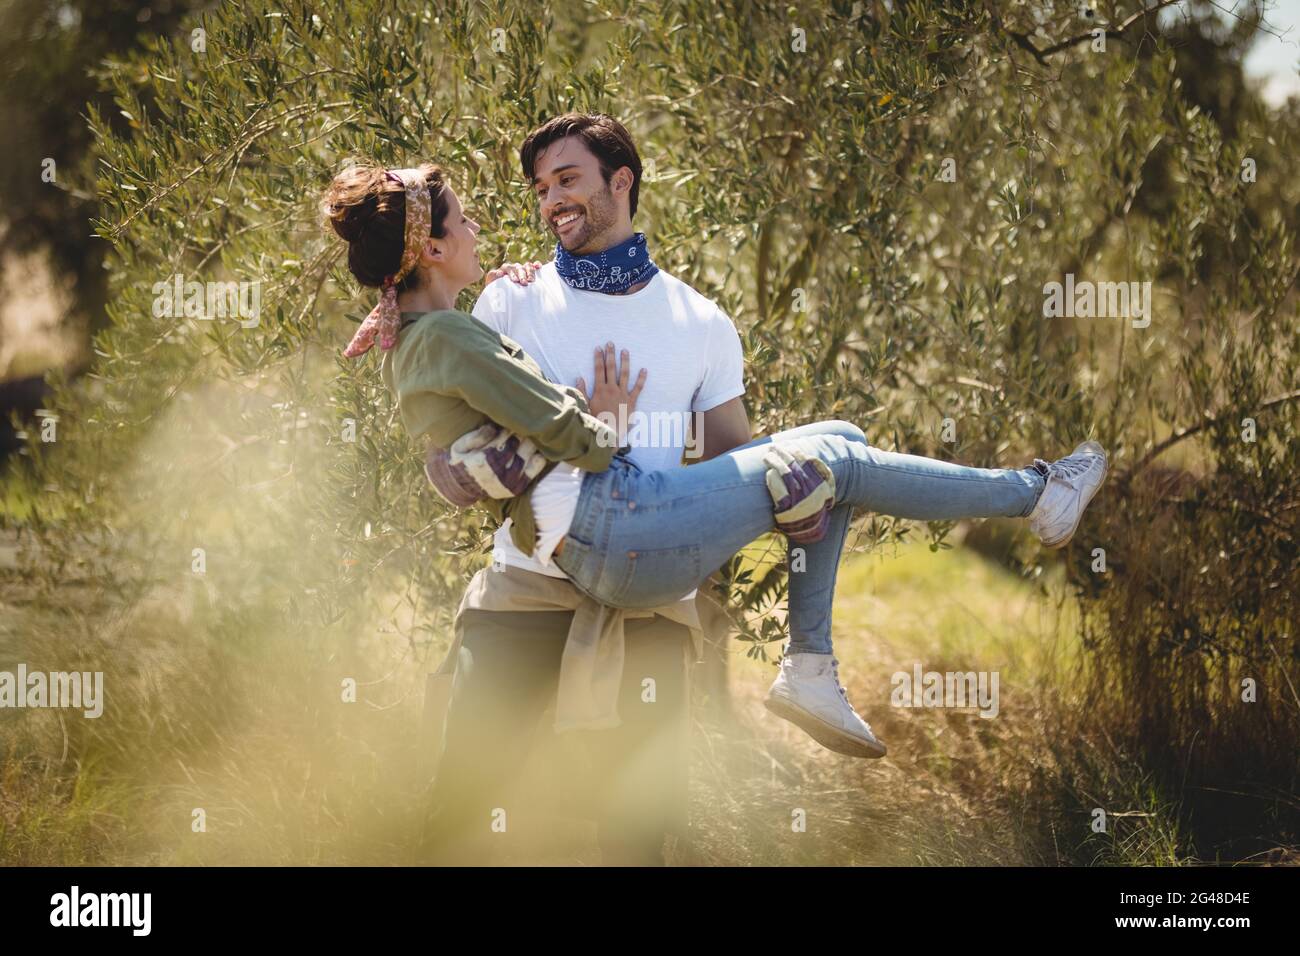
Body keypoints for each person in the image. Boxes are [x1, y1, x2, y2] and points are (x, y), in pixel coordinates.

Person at [324, 158, 1109, 772]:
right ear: (428, 247)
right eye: (463, 217)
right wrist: (604, 418)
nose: (485, 222)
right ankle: (1032, 495)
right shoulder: (459, 333)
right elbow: (574, 436)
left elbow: (495, 426)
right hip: (611, 520)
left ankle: (809, 665)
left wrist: (772, 487)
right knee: (833, 456)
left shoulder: (436, 334)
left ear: (620, 183)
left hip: (620, 518)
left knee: (840, 438)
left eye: (567, 180)